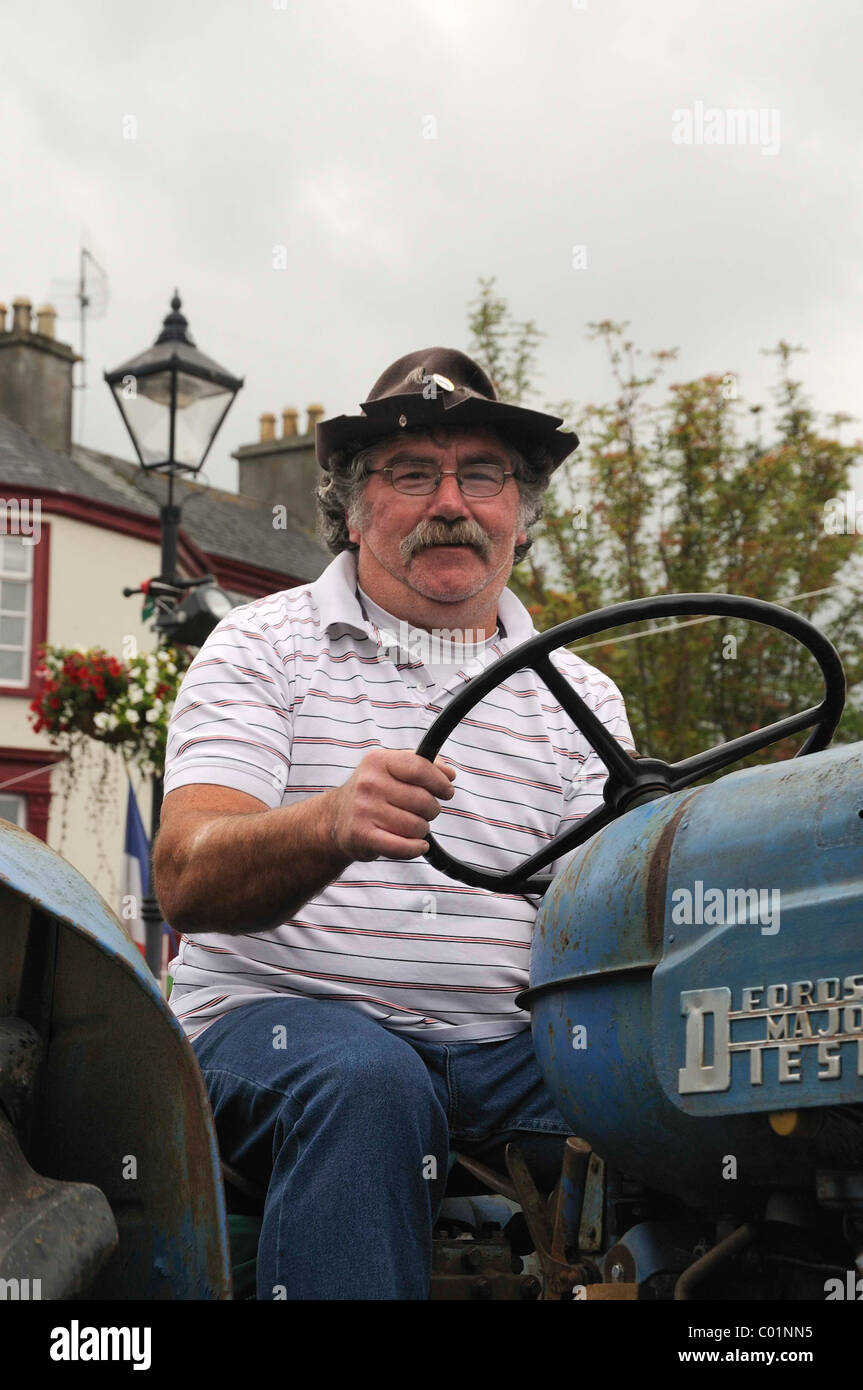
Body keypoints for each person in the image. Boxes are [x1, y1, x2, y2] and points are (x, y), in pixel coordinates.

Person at [154, 347, 635, 1300]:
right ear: (353, 507)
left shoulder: (580, 695)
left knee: (696, 1091)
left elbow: (607, 923)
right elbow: (187, 877)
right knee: (367, 1083)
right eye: (411, 474)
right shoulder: (261, 646)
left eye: (483, 475)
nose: (450, 501)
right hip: (274, 1034)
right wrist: (328, 823)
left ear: (520, 512)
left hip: (505, 1055)